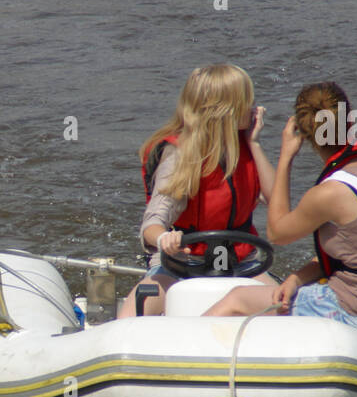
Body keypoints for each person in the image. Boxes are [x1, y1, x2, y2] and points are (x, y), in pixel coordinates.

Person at [204, 82, 357, 338]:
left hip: (356, 316)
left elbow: (276, 233)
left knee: (237, 299)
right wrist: (297, 278)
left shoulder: (330, 193)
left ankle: (186, 360)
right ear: (349, 121)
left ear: (302, 133)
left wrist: (286, 156)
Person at [118, 63, 276, 318]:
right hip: (181, 263)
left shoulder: (244, 147)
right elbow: (152, 225)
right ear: (226, 110)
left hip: (241, 261)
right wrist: (164, 240)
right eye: (248, 101)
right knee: (129, 317)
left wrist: (255, 143)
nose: (256, 107)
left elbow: (275, 200)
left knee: (285, 311)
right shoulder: (178, 156)